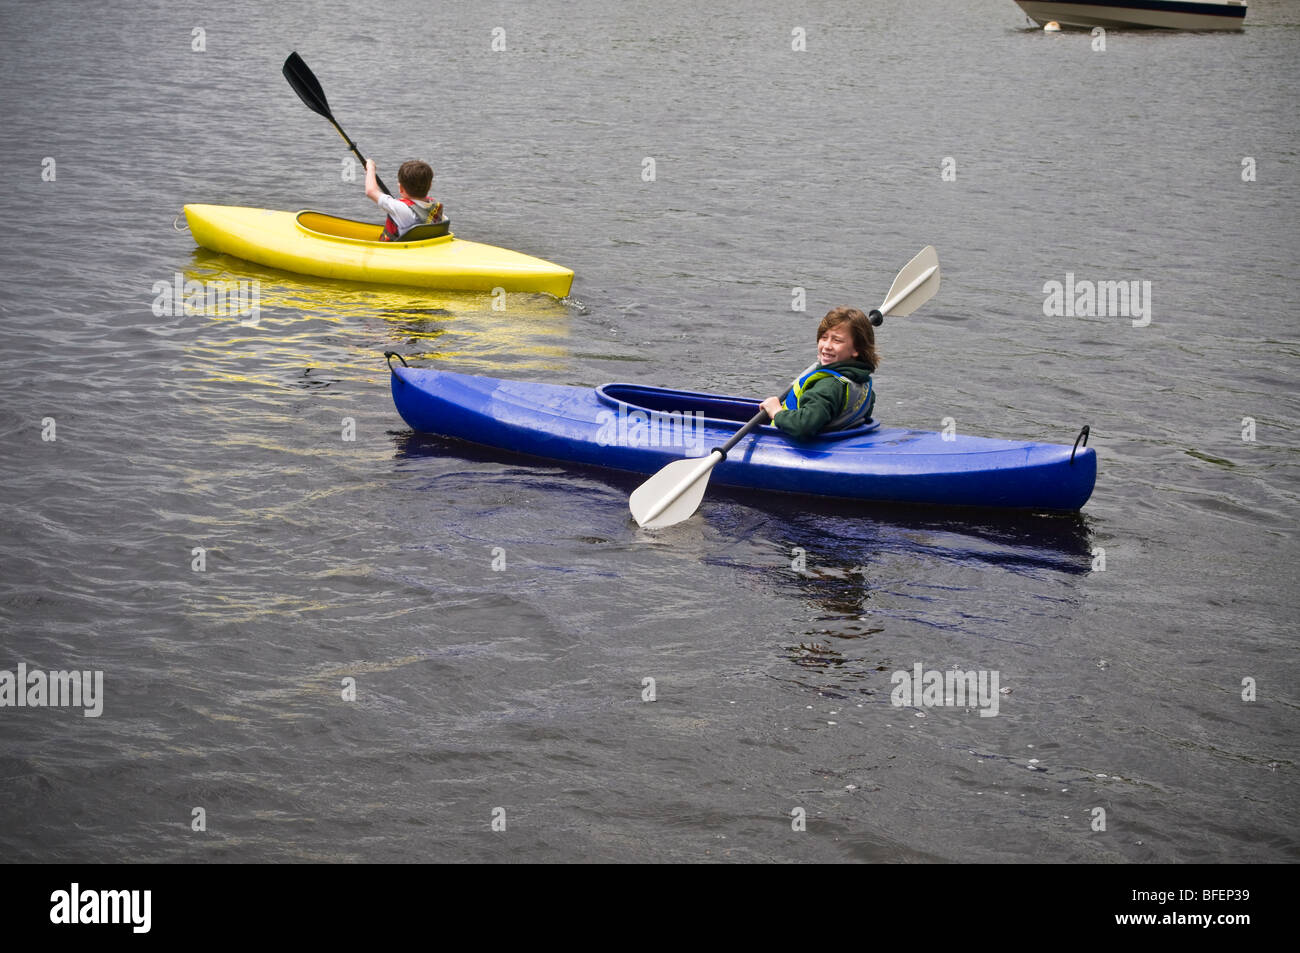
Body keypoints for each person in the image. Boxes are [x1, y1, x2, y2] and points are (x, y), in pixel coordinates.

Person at [759, 306, 878, 439]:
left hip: (792, 444)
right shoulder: (862, 381)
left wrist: (776, 412)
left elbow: (803, 425)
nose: (827, 346)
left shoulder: (828, 387)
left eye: (836, 340)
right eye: (824, 337)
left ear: (857, 349)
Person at [364, 158, 443, 241]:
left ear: (401, 188)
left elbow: (371, 191)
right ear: (430, 186)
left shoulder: (400, 209)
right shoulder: (435, 206)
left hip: (394, 250)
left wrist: (370, 168)